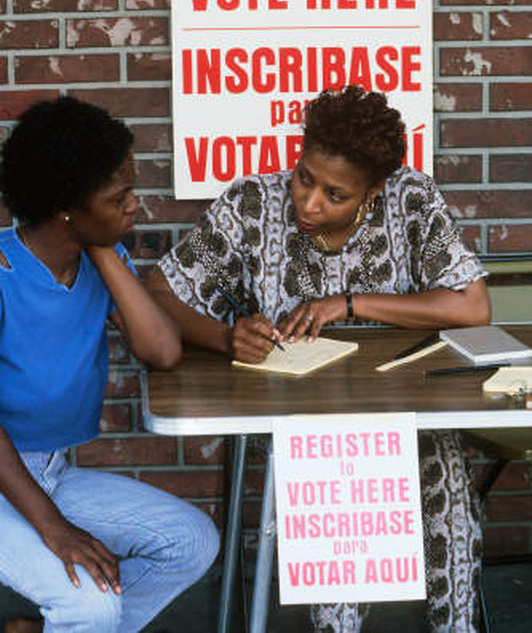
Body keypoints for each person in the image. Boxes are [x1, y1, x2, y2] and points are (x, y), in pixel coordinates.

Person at [147, 85, 491, 633]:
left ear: (374, 190)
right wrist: (223, 336)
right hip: (298, 423)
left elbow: (471, 305)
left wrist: (350, 303)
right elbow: (158, 293)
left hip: (405, 415)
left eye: (336, 195)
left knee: (446, 469)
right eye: (305, 177)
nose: (309, 203)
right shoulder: (253, 205)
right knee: (338, 474)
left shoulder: (410, 199)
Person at [0, 97, 219, 633]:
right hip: (10, 481)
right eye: (119, 196)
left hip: (46, 472)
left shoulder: (98, 258)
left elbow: (160, 350)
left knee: (191, 542)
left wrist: (100, 249)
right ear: (66, 206)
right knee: (88, 606)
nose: (135, 206)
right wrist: (54, 529)